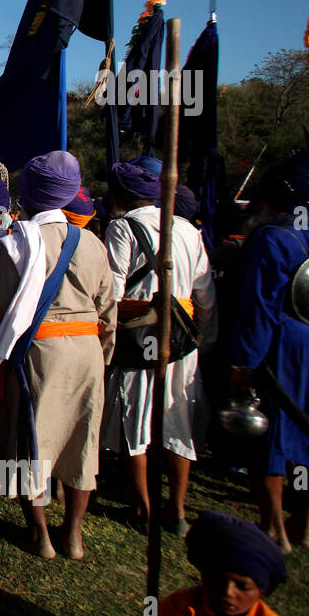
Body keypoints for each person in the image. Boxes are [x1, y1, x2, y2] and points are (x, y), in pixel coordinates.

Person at [0, 151, 116, 560]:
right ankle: (73, 535)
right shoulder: (92, 242)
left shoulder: (19, 241)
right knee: (81, 444)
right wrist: (103, 354)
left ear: (27, 193)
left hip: (39, 353)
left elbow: (0, 309)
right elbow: (108, 308)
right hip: (86, 352)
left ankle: (41, 536)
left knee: (30, 443)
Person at [229, 149, 309, 553]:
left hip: (286, 347)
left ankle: (273, 527)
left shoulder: (272, 240)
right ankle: (305, 526)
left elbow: (259, 307)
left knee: (274, 437)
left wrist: (245, 360)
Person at [100, 162, 216, 535]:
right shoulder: (187, 229)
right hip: (183, 338)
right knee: (178, 420)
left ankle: (142, 509)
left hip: (137, 333)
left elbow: (111, 293)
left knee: (135, 420)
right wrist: (205, 340)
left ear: (120, 196)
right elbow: (205, 294)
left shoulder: (121, 227)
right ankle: (177, 510)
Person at [109, 510, 302, 616]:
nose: (227, 592)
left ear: (262, 592)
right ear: (203, 574)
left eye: (242, 586)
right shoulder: (182, 608)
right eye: (219, 579)